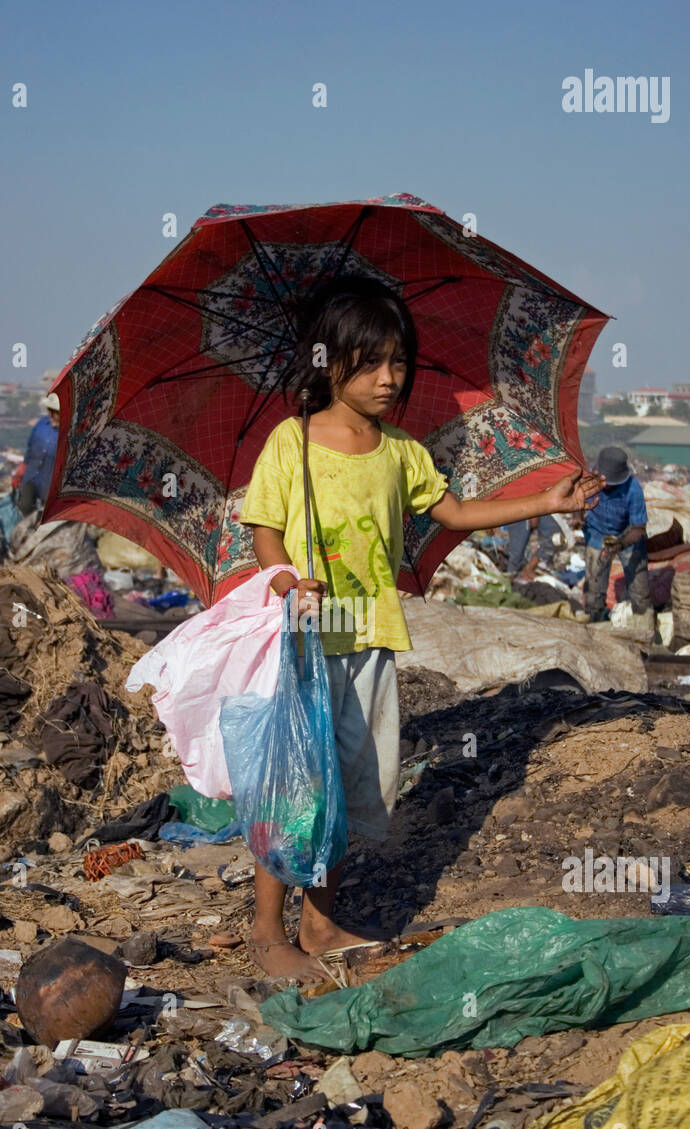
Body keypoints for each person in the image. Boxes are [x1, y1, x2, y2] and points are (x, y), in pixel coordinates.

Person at [239, 276, 603, 982]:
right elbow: (264, 530)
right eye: (370, 362)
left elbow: (457, 514)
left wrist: (543, 500)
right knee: (296, 784)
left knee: (351, 785)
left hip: (370, 637)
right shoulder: (292, 443)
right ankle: (264, 928)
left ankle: (319, 923)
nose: (388, 378)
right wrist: (287, 580)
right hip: (308, 641)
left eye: (398, 362)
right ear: (328, 362)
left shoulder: (400, 451)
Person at [582, 445, 653, 631]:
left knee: (639, 591)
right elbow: (578, 504)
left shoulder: (633, 489)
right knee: (594, 589)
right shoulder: (589, 481)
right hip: (597, 533)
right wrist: (577, 519)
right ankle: (593, 626)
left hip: (626, 535)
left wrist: (619, 545)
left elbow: (639, 528)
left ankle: (646, 630)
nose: (605, 486)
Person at [18, 393, 60, 515]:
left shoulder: (66, 431)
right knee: (25, 506)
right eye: (53, 411)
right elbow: (30, 447)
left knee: (46, 512)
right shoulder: (41, 425)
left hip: (50, 479)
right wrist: (22, 468)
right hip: (31, 474)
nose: (55, 415)